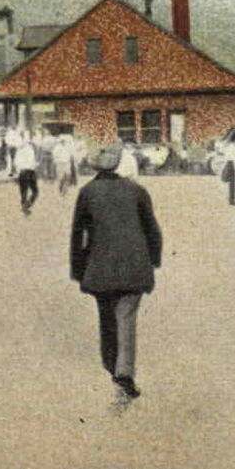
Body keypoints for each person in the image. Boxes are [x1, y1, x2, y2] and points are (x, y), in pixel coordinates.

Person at [70, 144, 163, 401]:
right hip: (135, 265)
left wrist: (78, 270)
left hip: (99, 268)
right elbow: (152, 230)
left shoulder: (87, 192)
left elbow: (78, 234)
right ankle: (124, 372)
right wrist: (153, 260)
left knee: (106, 317)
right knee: (126, 318)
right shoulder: (137, 190)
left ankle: (112, 366)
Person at [14, 137, 40, 214]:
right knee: (35, 191)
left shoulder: (19, 151)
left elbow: (16, 163)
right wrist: (36, 165)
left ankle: (24, 206)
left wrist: (19, 170)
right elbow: (32, 163)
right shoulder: (30, 150)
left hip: (21, 173)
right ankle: (28, 205)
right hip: (30, 171)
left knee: (23, 192)